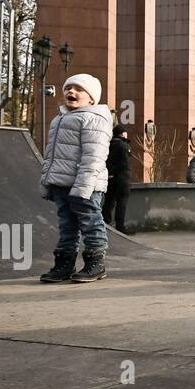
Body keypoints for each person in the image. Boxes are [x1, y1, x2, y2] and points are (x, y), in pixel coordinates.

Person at [38, 74, 113, 283]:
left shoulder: (94, 118)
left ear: (91, 98)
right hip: (63, 183)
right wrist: (48, 181)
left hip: (86, 185)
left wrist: (84, 186)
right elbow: (51, 154)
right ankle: (64, 264)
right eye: (68, 88)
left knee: (91, 222)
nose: (71, 92)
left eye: (79, 89)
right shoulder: (59, 119)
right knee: (67, 225)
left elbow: (94, 156)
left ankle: (95, 262)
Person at [102, 124, 133, 233]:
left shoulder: (107, 145)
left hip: (109, 177)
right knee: (122, 202)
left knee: (109, 201)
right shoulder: (124, 146)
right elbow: (125, 163)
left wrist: (110, 173)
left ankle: (104, 224)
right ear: (123, 134)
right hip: (122, 178)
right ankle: (120, 226)